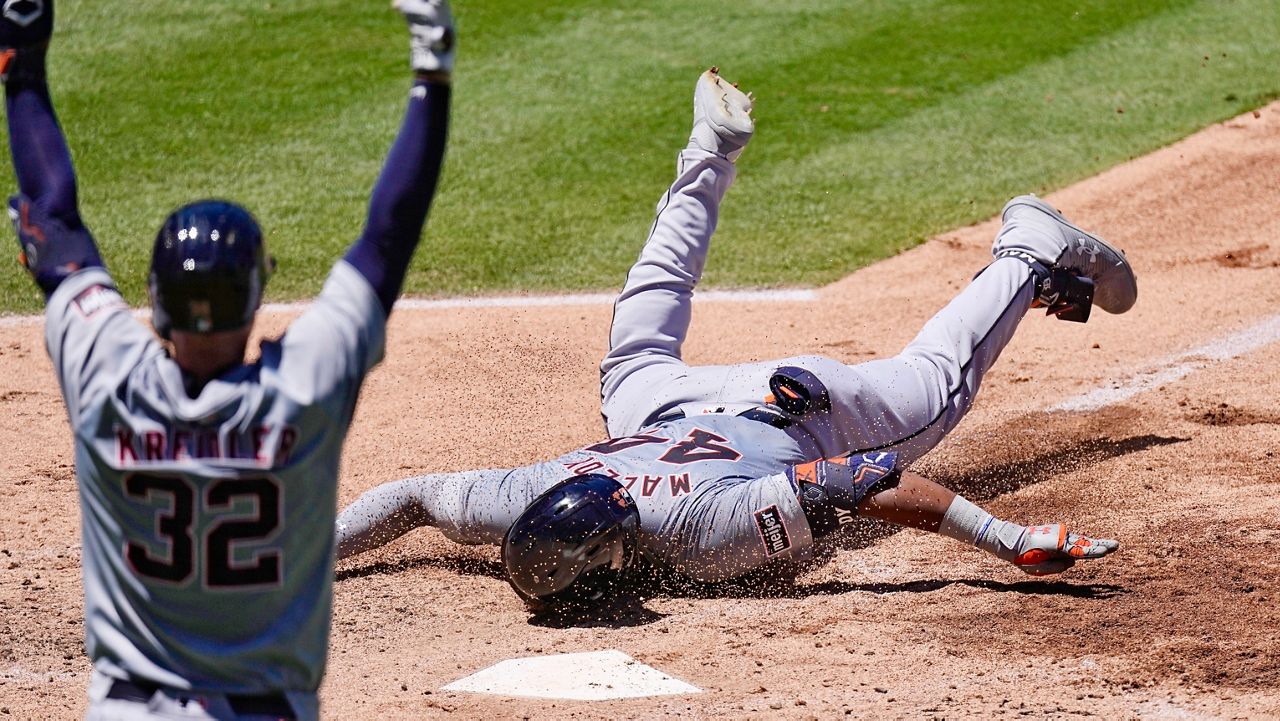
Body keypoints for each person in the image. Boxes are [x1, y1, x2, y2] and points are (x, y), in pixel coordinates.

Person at [335, 68, 1133, 609]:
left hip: (798, 407)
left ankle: (1026, 251)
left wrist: (1008, 539)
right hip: (663, 411)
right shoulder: (528, 494)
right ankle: (708, 152)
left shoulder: (701, 538)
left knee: (934, 386)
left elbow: (858, 475)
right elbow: (414, 497)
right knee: (635, 353)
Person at [3, 0, 454, 717]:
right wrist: (433, 70)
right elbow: (387, 238)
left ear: (152, 300)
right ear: (254, 299)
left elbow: (51, 216)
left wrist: (20, 57)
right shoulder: (302, 389)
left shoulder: (106, 370)